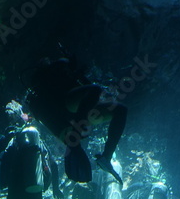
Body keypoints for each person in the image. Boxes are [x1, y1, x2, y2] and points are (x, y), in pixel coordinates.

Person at [26, 57, 127, 186]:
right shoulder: (51, 76)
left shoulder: (55, 76)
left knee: (120, 110)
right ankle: (77, 136)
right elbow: (89, 90)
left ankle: (106, 157)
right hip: (64, 107)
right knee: (95, 89)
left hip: (74, 113)